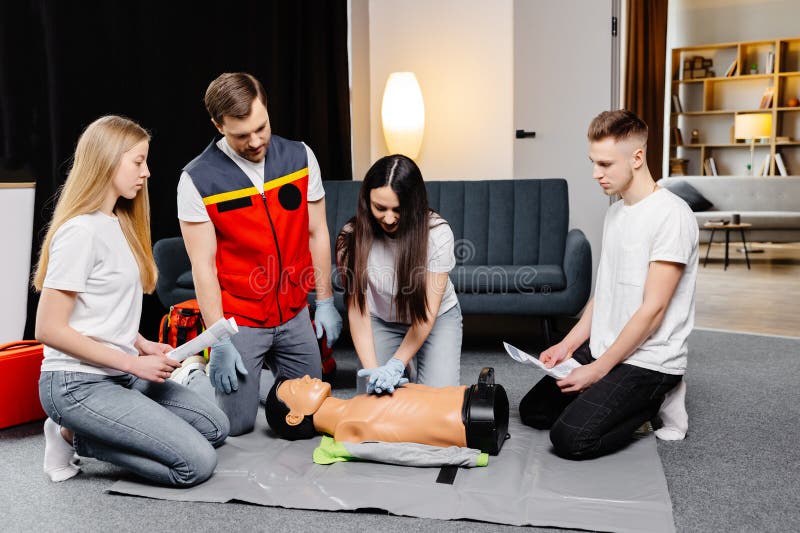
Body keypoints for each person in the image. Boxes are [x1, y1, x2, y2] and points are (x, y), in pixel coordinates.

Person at [34, 115, 229, 485]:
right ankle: (74, 436)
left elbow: (101, 312)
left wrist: (141, 344)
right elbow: (49, 328)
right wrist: (133, 362)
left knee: (215, 427)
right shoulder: (79, 232)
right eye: (138, 161)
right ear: (107, 159)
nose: (147, 172)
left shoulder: (117, 223)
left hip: (118, 373)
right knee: (196, 465)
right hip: (75, 383)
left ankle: (99, 427)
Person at [518, 109, 697, 460]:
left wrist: (597, 373)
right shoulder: (616, 213)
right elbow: (606, 292)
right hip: (607, 344)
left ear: (637, 157)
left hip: (650, 358)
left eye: (605, 164)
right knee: (534, 411)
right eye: (593, 162)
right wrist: (567, 346)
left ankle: (658, 396)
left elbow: (653, 309)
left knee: (570, 438)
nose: (595, 174)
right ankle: (616, 398)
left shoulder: (672, 216)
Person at [177, 72, 341, 436]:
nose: (255, 141)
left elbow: (317, 232)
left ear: (266, 108)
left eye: (261, 127)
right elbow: (203, 268)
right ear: (218, 125)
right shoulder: (196, 180)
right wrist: (218, 338)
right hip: (241, 317)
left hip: (294, 310)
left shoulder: (300, 156)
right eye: (241, 135)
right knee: (233, 426)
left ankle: (260, 384)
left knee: (311, 412)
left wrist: (325, 301)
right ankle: (190, 375)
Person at [336, 155, 461, 394]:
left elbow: (426, 314)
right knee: (375, 400)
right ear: (367, 201)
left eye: (398, 209)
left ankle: (407, 365)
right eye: (380, 208)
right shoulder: (350, 238)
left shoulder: (438, 234)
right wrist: (373, 372)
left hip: (434, 320)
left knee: (435, 405)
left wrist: (396, 363)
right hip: (381, 319)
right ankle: (406, 370)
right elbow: (358, 311)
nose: (390, 218)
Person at [265, 373, 508, 455]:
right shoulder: (348, 429)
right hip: (471, 420)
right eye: (298, 386)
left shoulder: (354, 405)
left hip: (471, 398)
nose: (307, 378)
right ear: (294, 417)